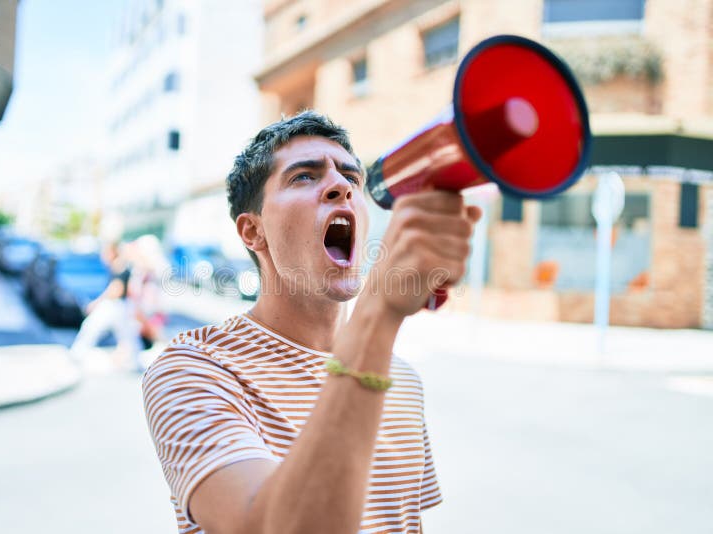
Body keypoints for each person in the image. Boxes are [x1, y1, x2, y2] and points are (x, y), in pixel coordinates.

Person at [142, 111, 482, 533]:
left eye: (351, 178)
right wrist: (378, 313)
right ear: (252, 231)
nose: (340, 186)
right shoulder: (194, 369)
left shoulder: (399, 378)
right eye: (304, 176)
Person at [70, 241, 143, 370]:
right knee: (127, 335)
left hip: (115, 306)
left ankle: (78, 353)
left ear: (112, 252)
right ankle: (135, 360)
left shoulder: (119, 266)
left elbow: (116, 289)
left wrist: (97, 303)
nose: (103, 256)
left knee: (92, 326)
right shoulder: (122, 265)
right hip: (121, 306)